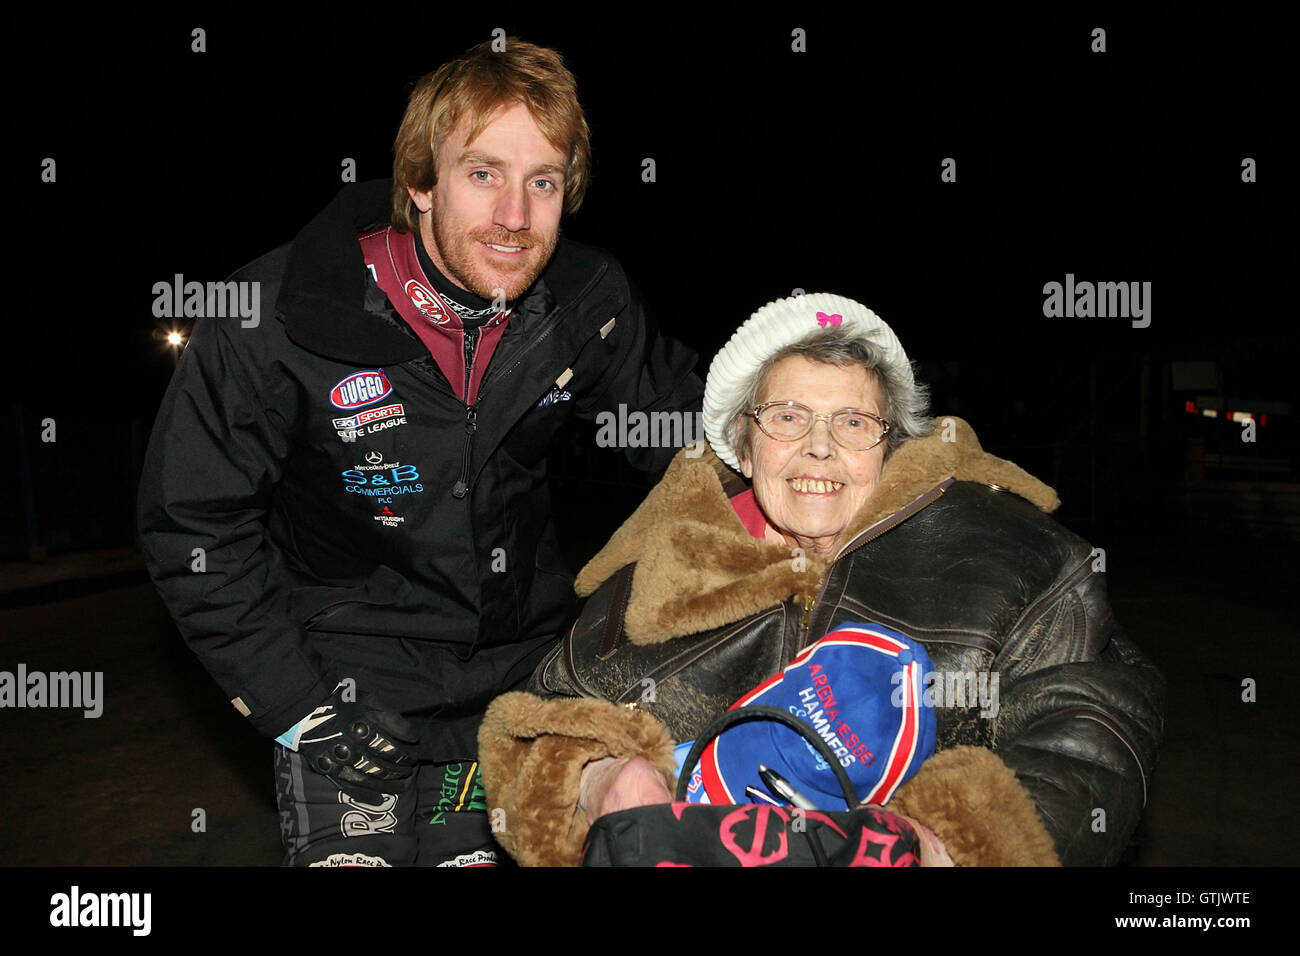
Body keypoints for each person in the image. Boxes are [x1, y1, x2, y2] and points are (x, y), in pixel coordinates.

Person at [137, 38, 702, 867]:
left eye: (542, 181)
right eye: (483, 174)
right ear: (420, 183)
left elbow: (690, 443)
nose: (514, 216)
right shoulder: (276, 314)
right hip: (343, 684)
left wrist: (833, 454)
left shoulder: (586, 304)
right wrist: (298, 705)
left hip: (516, 689)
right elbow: (192, 526)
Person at [479, 292, 1164, 866]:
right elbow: (537, 729)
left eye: (853, 421)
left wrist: (940, 845)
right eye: (787, 417)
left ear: (892, 445)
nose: (819, 446)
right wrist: (608, 783)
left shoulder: (1007, 559)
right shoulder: (659, 574)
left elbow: (1095, 731)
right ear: (742, 446)